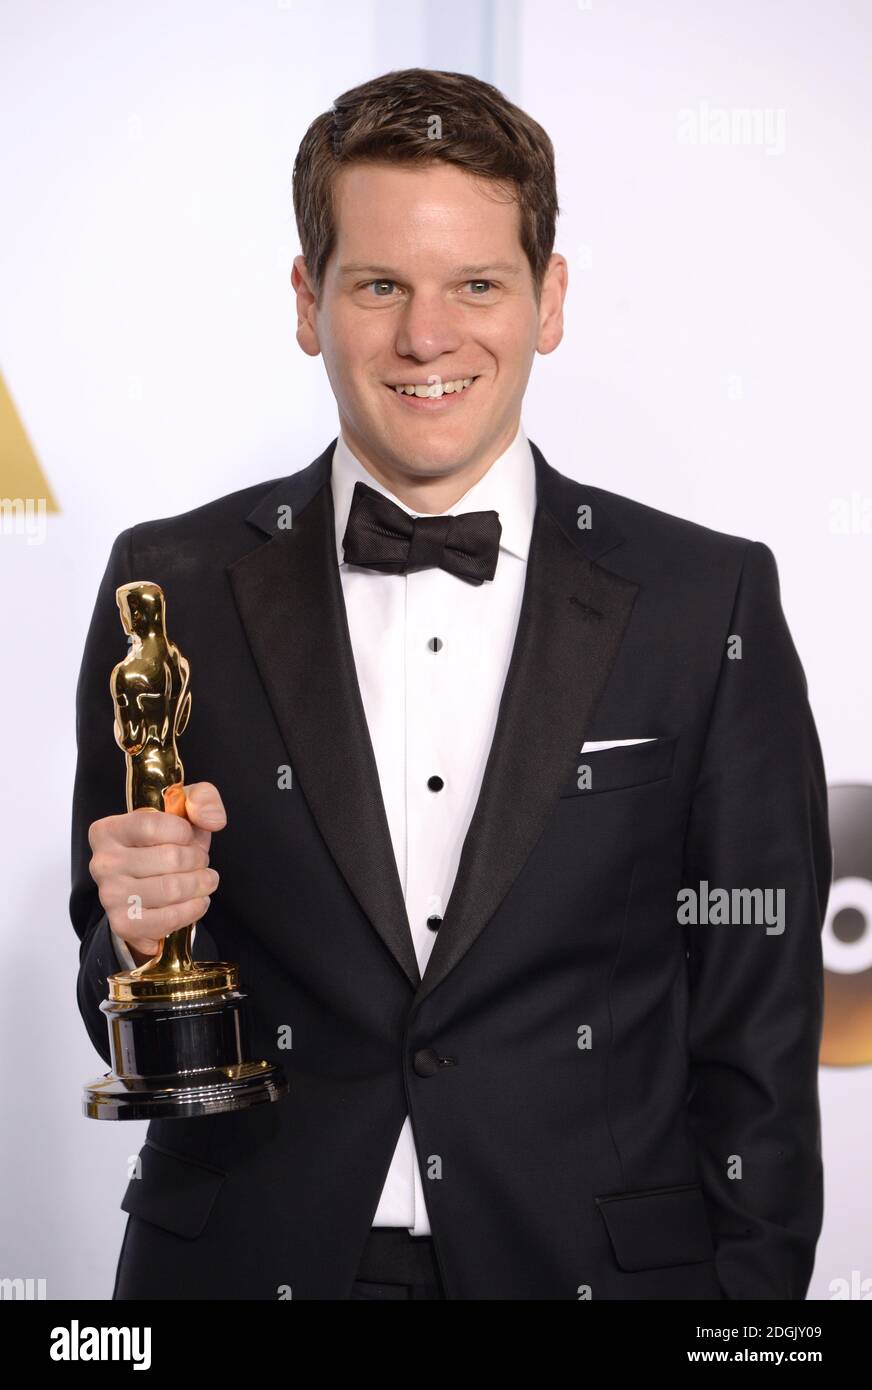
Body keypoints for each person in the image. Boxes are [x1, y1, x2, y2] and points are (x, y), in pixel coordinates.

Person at [70, 67, 830, 1301]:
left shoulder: (708, 601)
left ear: (549, 300)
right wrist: (139, 931)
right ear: (309, 302)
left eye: (477, 283)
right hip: (242, 1265)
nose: (428, 337)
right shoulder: (169, 584)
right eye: (380, 285)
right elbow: (109, 969)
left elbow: (758, 1020)